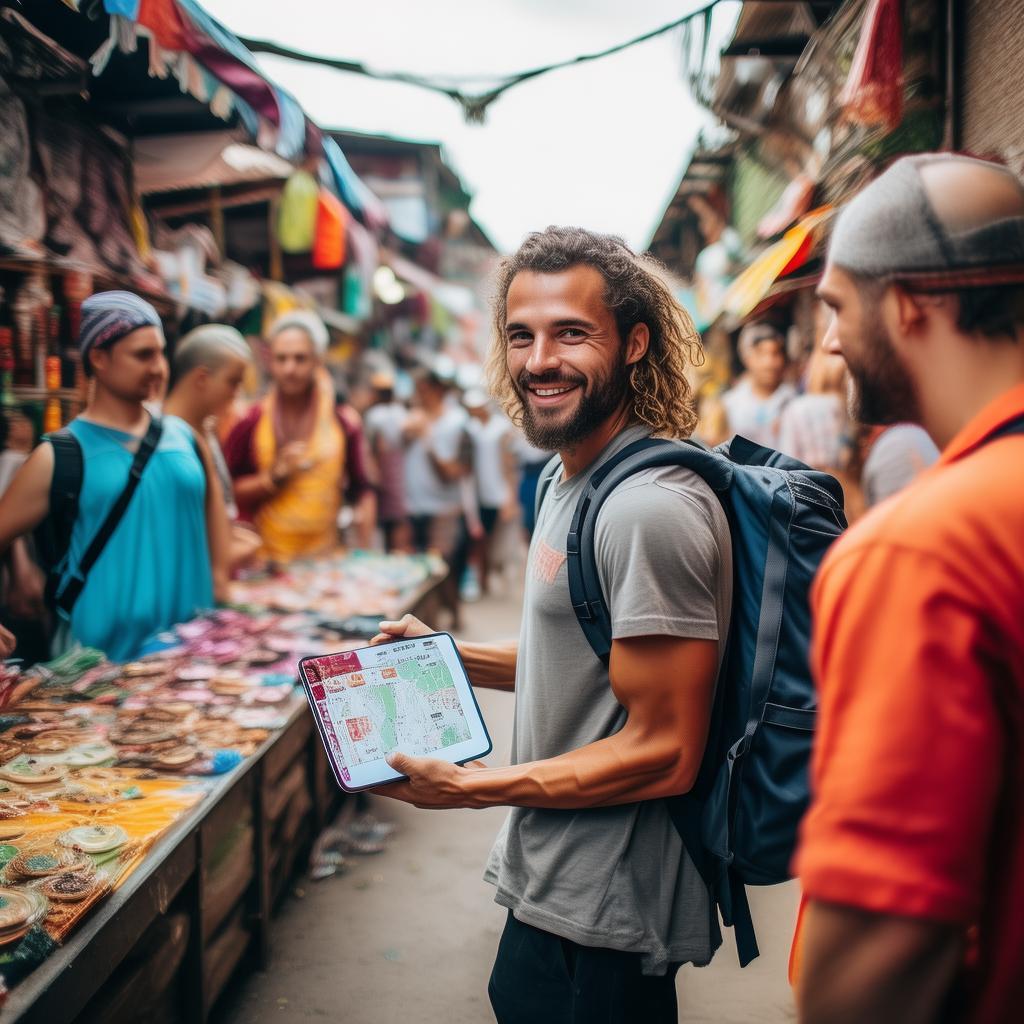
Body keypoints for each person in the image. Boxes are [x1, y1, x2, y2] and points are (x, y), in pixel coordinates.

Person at [371, 227, 732, 1024]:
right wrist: (451, 658)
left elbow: (667, 751)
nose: (540, 360)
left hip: (607, 909)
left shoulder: (646, 508)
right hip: (551, 883)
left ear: (636, 343)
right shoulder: (568, 481)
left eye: (572, 333)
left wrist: (470, 788)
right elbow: (578, 653)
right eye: (521, 335)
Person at [795, 153, 1024, 1024]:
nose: (827, 342)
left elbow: (882, 946)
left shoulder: (921, 549)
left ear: (908, 303)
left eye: (835, 306)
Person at [0, 291, 228, 661]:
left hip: (194, 664)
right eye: (143, 355)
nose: (158, 368)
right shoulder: (60, 455)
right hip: (98, 671)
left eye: (160, 353)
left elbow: (220, 555)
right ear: (98, 357)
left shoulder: (186, 438)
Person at [223, 311, 373, 562]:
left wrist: (365, 554)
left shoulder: (344, 421)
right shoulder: (251, 420)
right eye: (281, 359)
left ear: (318, 360)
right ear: (269, 361)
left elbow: (363, 490)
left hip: (323, 561)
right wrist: (271, 479)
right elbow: (226, 493)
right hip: (263, 560)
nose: (289, 369)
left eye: (300, 359)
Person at [163, 323, 261, 571]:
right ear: (202, 378)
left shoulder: (207, 430)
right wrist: (235, 549)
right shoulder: (165, 442)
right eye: (232, 382)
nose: (236, 394)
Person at [402, 367, 472, 625]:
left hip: (444, 510)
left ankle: (452, 619)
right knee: (420, 573)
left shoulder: (458, 423)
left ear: (438, 390)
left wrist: (427, 440)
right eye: (416, 390)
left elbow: (456, 472)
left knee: (441, 572)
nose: (419, 395)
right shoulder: (413, 418)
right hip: (413, 507)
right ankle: (429, 627)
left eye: (423, 390)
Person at [463, 389, 516, 595]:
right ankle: (482, 580)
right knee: (481, 539)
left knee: (498, 540)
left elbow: (509, 464)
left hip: (499, 492)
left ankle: (495, 574)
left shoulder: (500, 428)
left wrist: (510, 495)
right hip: (479, 493)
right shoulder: (471, 428)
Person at [721, 321, 795, 447]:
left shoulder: (792, 400)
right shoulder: (730, 403)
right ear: (747, 358)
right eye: (761, 354)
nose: (769, 362)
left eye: (775, 353)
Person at [363, 371, 410, 551]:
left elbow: (370, 446)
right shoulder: (401, 412)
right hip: (398, 470)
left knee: (382, 518)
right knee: (397, 517)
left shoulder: (374, 415)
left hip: (383, 467)